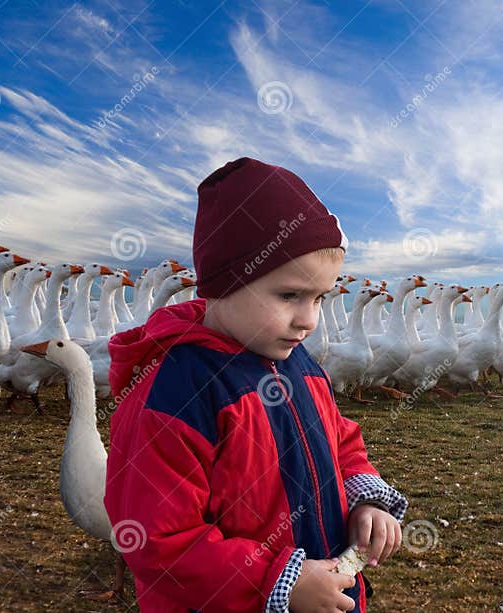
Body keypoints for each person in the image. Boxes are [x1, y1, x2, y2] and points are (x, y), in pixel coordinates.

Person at [104, 157, 408, 612]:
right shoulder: (175, 391)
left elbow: (340, 441)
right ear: (224, 284)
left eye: (319, 298)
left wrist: (363, 501)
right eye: (289, 295)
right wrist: (275, 582)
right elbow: (158, 539)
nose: (308, 320)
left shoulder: (298, 362)